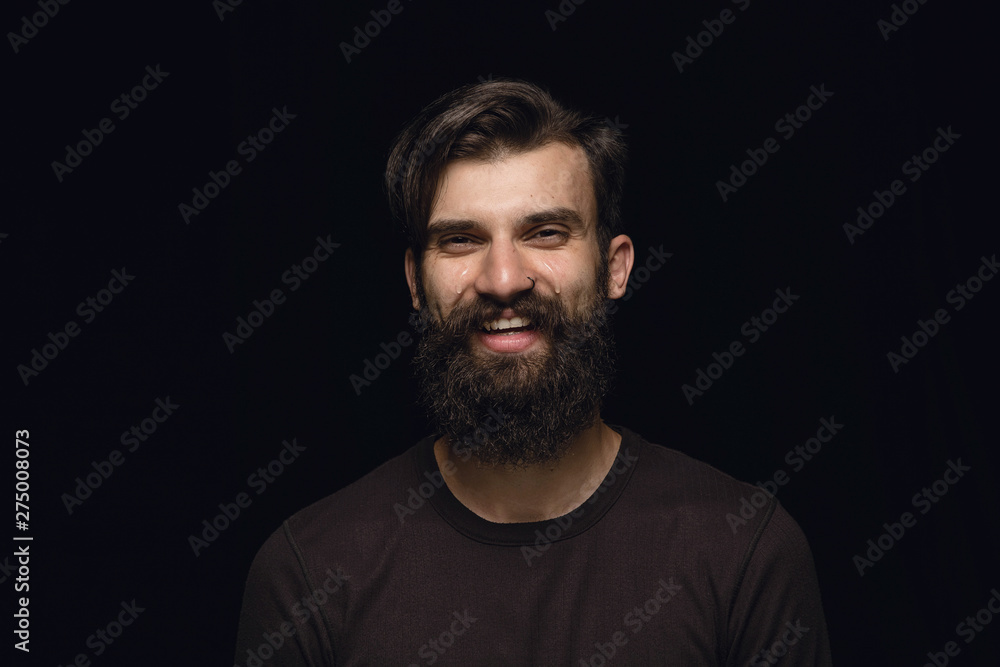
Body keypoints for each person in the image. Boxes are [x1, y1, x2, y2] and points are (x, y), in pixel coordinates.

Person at [234, 79, 832, 666]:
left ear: (615, 268)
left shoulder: (743, 552)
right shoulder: (310, 573)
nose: (503, 279)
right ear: (416, 282)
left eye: (546, 233)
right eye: (462, 240)